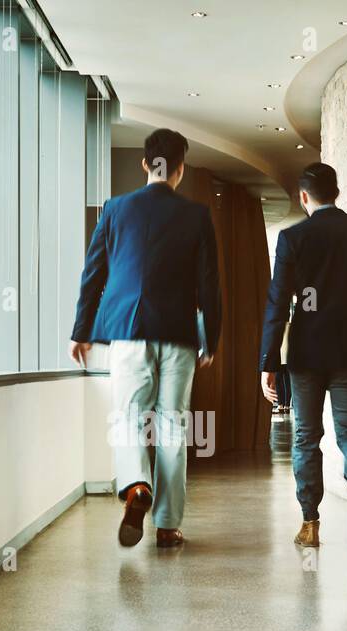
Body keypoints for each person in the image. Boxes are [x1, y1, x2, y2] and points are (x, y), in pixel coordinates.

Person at [69, 128, 221, 549]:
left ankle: (137, 486)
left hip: (129, 329)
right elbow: (209, 285)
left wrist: (82, 331)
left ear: (144, 164)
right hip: (178, 333)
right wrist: (212, 338)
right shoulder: (196, 216)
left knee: (128, 417)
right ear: (180, 169)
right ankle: (168, 526)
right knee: (173, 425)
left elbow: (93, 275)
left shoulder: (115, 210)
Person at [259, 162, 347, 550]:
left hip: (306, 354)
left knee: (307, 437)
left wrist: (268, 363)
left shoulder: (292, 239)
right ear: (336, 192)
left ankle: (310, 523)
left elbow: (276, 304)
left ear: (304, 197)